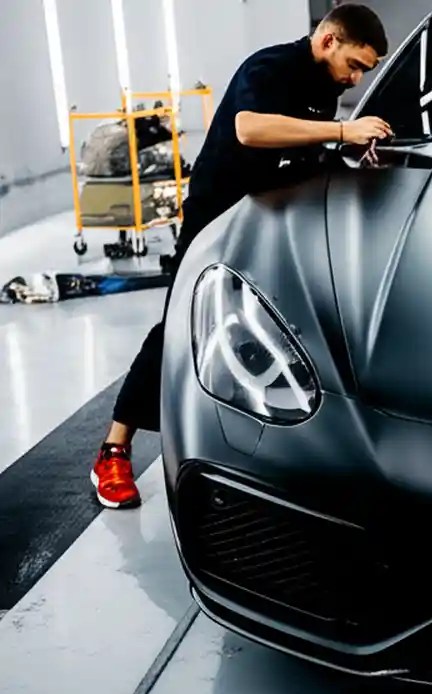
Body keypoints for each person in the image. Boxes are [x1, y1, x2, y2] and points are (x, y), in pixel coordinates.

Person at [90, 4, 393, 508]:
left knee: (268, 333)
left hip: (271, 222)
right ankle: (113, 449)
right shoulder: (270, 66)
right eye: (355, 65)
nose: (356, 78)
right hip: (217, 218)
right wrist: (343, 132)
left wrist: (349, 153)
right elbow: (249, 129)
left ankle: (243, 456)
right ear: (327, 41)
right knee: (179, 328)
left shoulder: (325, 89)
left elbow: (302, 148)